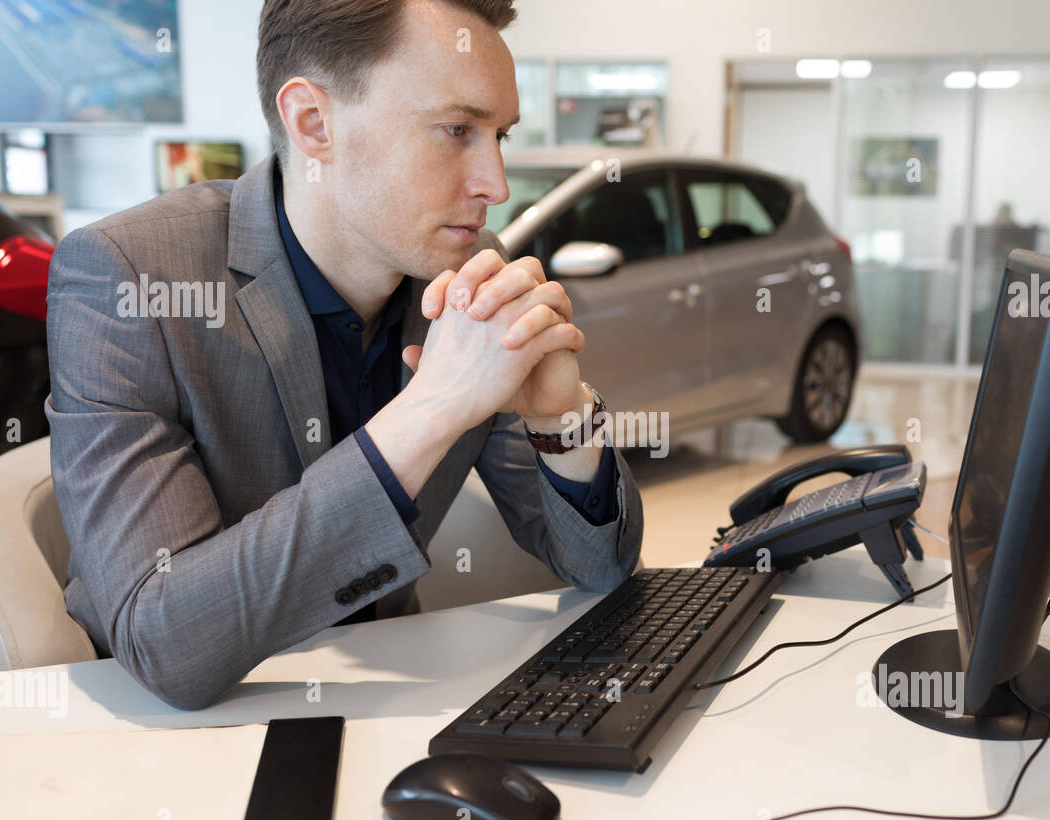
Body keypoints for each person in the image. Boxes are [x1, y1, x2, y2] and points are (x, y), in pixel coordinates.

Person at [44, 0, 643, 710]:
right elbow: (165, 644)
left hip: (382, 711)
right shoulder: (131, 278)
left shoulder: (464, 270)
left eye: (500, 135)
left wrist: (562, 422)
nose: (497, 184)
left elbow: (600, 567)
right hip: (163, 733)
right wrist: (431, 410)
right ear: (313, 123)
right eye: (457, 130)